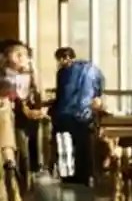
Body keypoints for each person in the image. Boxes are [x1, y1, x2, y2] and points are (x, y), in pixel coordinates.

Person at [49, 46, 104, 186]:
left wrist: (53, 109)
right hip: (85, 114)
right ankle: (86, 175)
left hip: (65, 115)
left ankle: (68, 176)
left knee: (66, 145)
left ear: (64, 58)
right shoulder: (91, 68)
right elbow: (99, 85)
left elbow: (61, 94)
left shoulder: (62, 73)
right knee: (84, 146)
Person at [0, 39, 44, 185]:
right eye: (18, 54)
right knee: (15, 146)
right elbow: (8, 93)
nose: (22, 58)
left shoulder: (29, 75)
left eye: (24, 55)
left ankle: (27, 175)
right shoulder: (4, 75)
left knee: (27, 146)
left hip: (25, 115)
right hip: (10, 115)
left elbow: (37, 93)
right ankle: (17, 175)